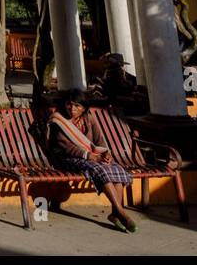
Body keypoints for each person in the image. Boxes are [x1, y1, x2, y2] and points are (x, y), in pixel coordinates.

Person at [46, 93, 136, 233]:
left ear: (84, 108)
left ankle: (114, 214)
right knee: (100, 169)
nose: (72, 108)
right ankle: (121, 211)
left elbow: (99, 140)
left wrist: (106, 154)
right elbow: (65, 146)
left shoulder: (89, 118)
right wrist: (89, 156)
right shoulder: (59, 120)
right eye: (69, 104)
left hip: (91, 156)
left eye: (77, 105)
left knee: (115, 169)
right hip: (67, 158)